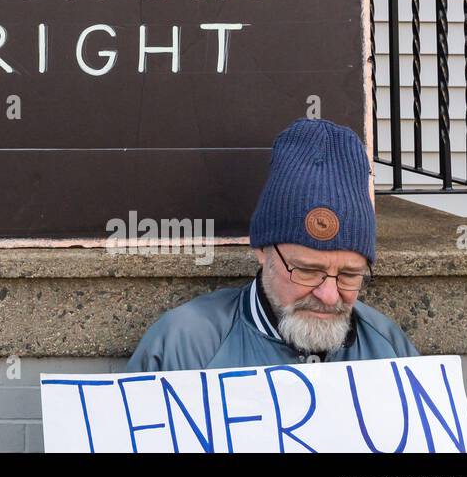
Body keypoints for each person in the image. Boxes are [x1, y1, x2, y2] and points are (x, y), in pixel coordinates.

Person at [127, 118, 419, 372]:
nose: (330, 296)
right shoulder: (187, 346)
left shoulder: (388, 349)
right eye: (306, 271)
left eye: (349, 275)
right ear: (263, 251)